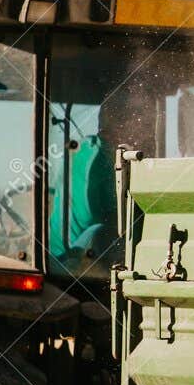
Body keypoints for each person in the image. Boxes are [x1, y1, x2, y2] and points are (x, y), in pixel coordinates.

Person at [48, 93, 141, 267]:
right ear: (127, 124)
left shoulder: (82, 149)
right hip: (78, 261)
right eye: (140, 120)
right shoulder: (111, 160)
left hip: (52, 254)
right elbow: (111, 218)